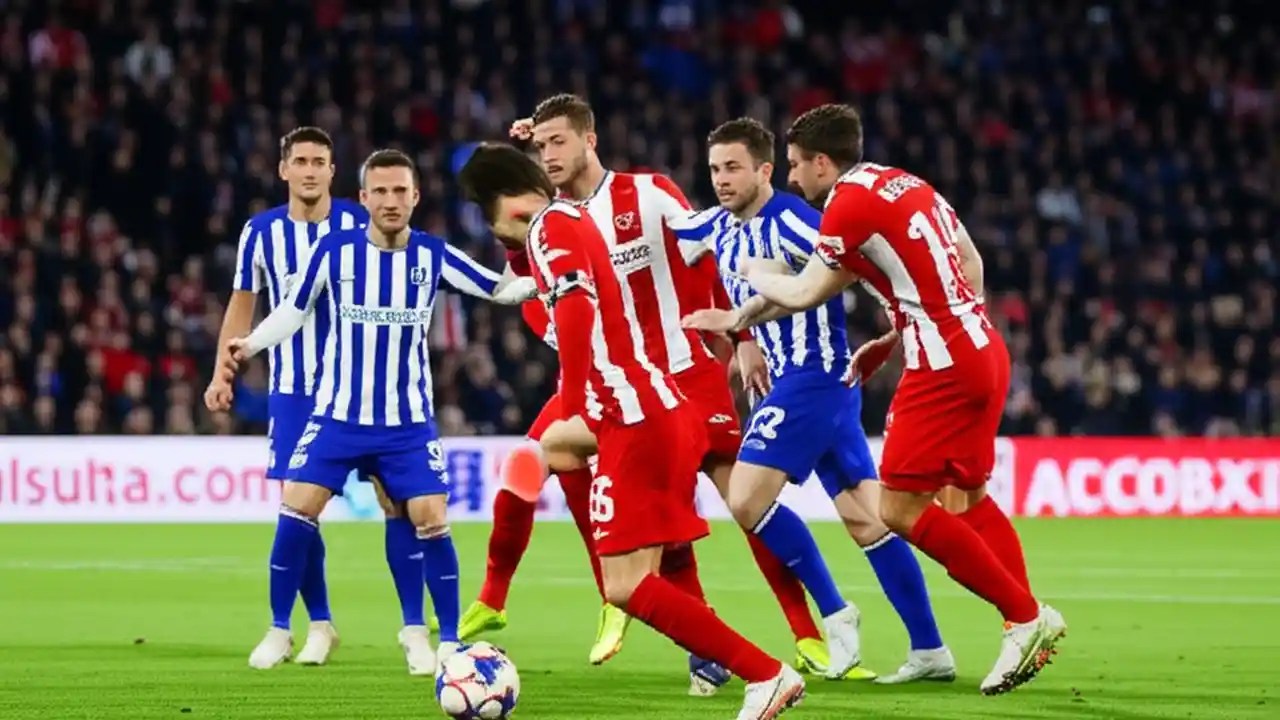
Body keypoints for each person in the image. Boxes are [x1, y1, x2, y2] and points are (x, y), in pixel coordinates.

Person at [462, 93, 858, 683]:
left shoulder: (646, 193)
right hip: (618, 382)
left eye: (559, 141)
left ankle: (809, 627)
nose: (548, 154)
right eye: (539, 146)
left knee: (744, 498)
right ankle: (564, 596)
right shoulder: (550, 225)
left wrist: (743, 334)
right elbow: (540, 297)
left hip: (685, 371)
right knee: (538, 456)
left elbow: (707, 248)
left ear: (590, 139)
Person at [744, 103, 1067, 695]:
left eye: (794, 165)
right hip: (983, 347)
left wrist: (751, 272)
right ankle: (1020, 623)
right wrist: (903, 332)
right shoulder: (903, 182)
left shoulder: (845, 204)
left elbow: (805, 290)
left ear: (823, 162)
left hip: (941, 366)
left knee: (896, 508)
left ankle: (1025, 617)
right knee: (965, 496)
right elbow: (968, 260)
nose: (792, 178)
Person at [220, 149, 536, 676]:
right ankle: (280, 628)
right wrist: (250, 344)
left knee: (430, 517)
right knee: (296, 506)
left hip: (406, 422)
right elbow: (294, 309)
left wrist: (554, 276)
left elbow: (500, 289)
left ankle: (441, 638)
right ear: (363, 198)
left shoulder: (433, 255)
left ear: (415, 197)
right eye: (380, 192)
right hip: (338, 414)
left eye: (400, 192)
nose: (390, 202)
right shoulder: (335, 251)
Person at [676, 117, 956, 685]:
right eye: (714, 170)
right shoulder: (717, 227)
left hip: (815, 377)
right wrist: (745, 338)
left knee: (747, 499)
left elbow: (854, 268)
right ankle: (930, 649)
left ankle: (835, 612)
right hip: (800, 384)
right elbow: (662, 235)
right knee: (867, 520)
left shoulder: (796, 221)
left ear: (765, 170)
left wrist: (902, 324)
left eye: (733, 168)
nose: (722, 180)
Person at [204, 126, 371, 668]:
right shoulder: (260, 232)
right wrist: (222, 372)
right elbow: (242, 304)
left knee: (405, 505)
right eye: (299, 160)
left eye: (319, 161)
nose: (308, 170)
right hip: (294, 389)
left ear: (331, 171)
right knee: (298, 508)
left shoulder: (358, 221)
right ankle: (305, 625)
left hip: (362, 386)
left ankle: (422, 626)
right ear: (284, 170)